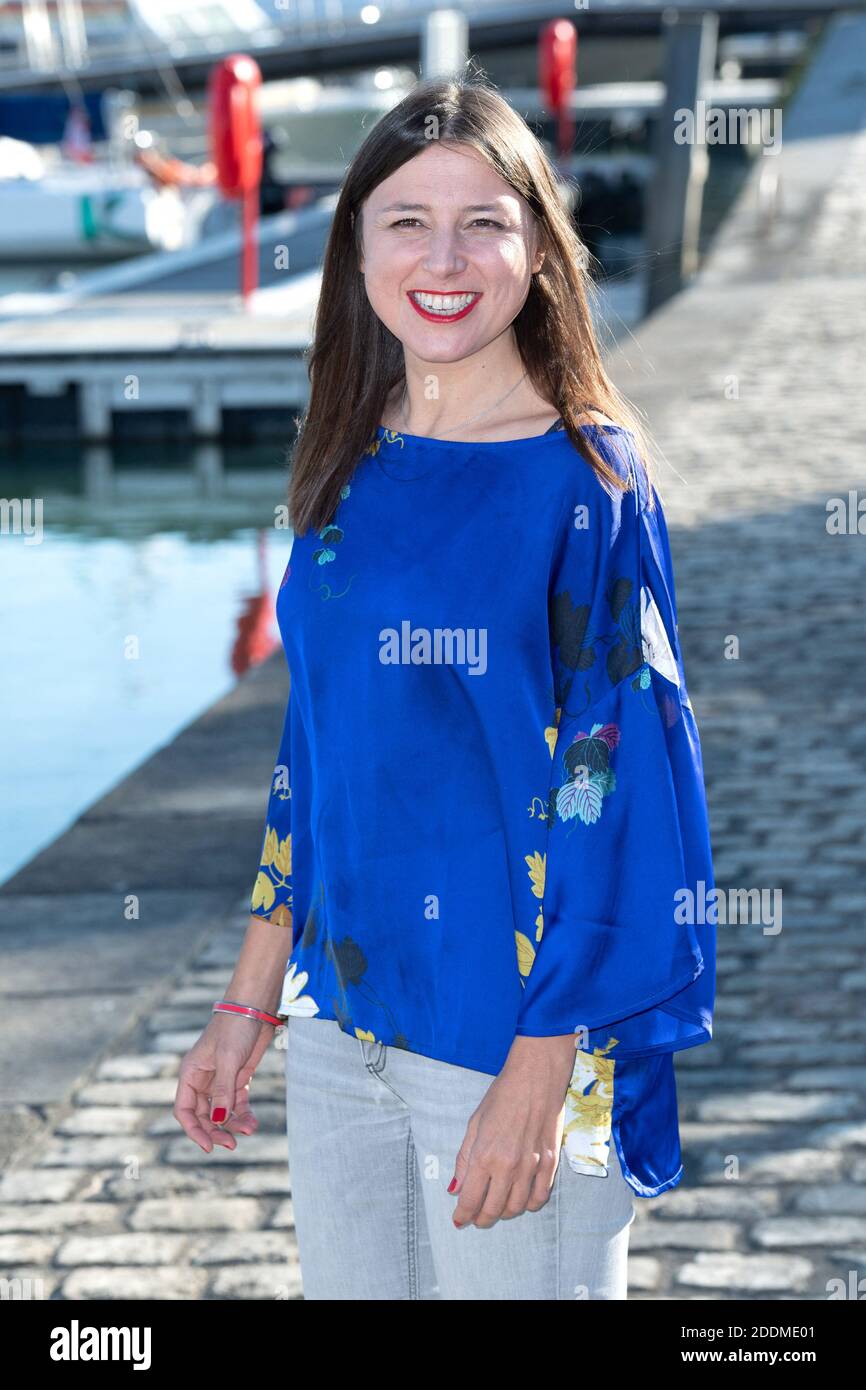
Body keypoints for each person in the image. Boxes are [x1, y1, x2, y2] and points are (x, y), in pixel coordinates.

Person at [173, 73, 717, 1301]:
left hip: (514, 1039)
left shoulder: (589, 483)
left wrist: (543, 1064)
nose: (446, 256)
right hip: (342, 1036)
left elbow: (617, 790)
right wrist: (248, 1002)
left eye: (485, 220)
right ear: (356, 247)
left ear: (537, 246)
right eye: (406, 219)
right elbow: (315, 759)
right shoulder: (347, 465)